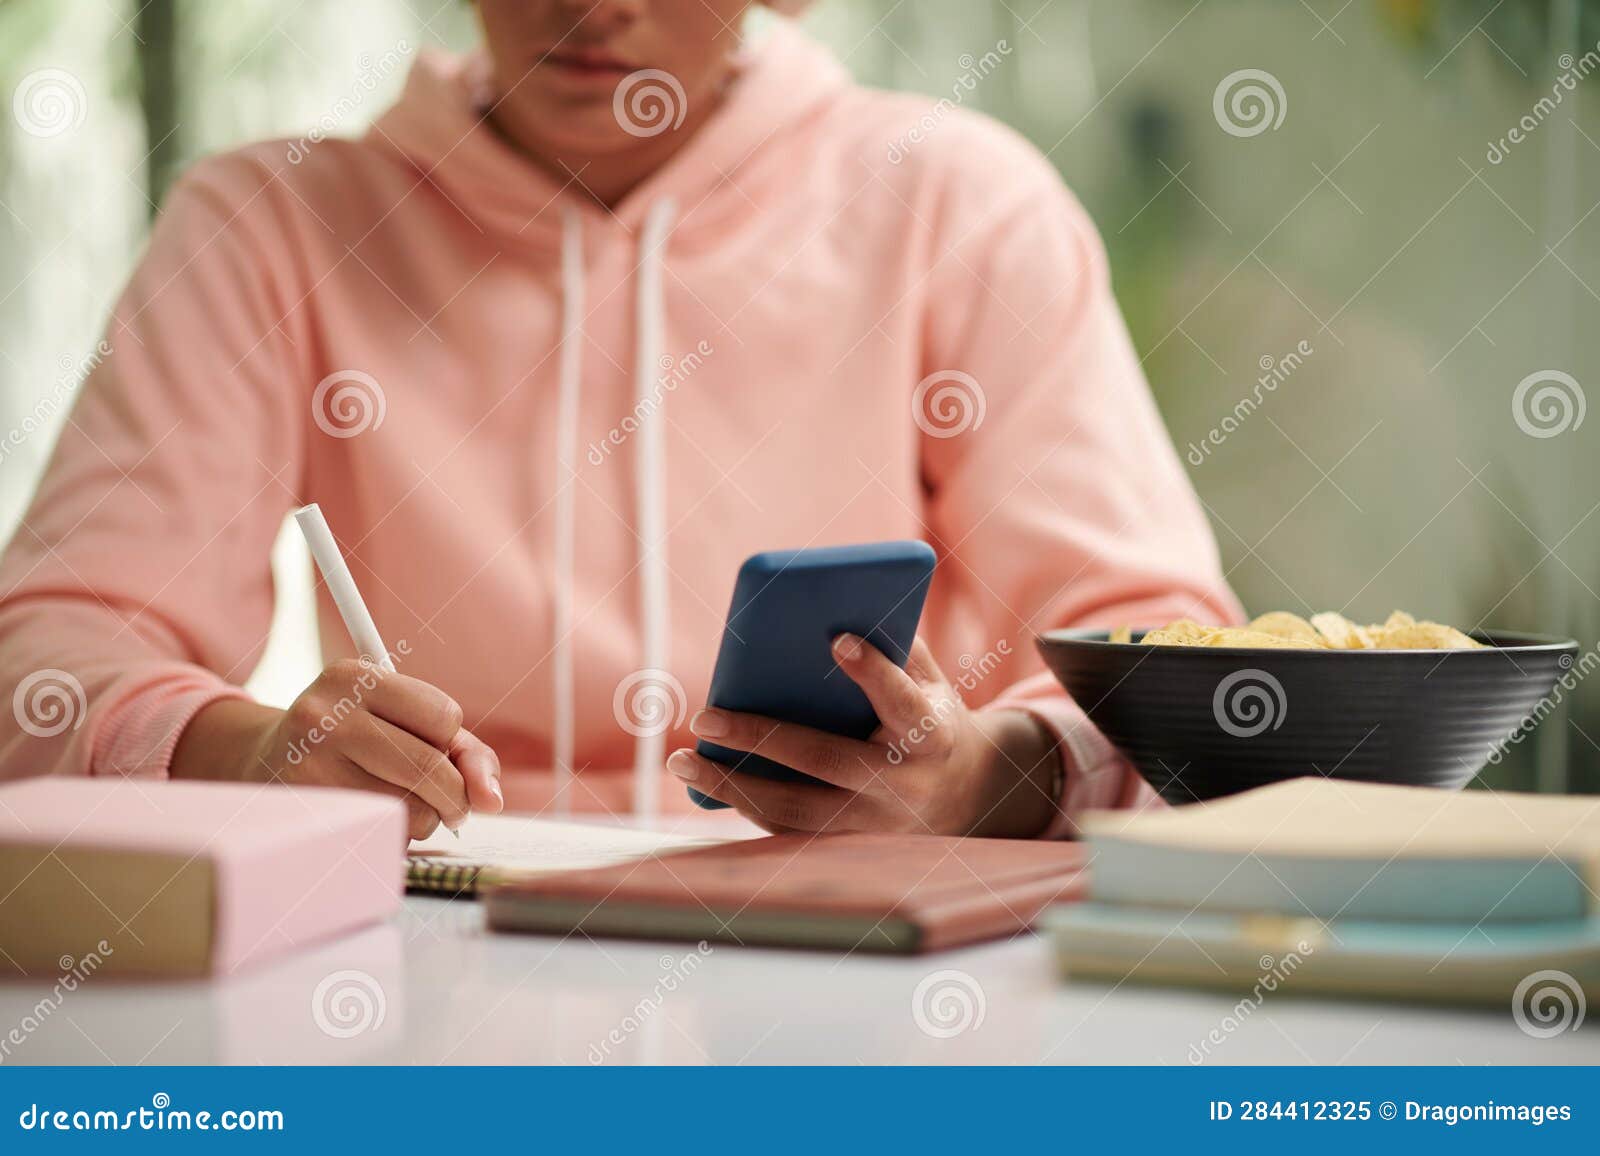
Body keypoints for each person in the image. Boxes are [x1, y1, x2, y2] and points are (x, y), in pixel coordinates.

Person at [0, 0, 1239, 841]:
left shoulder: (965, 208)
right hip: (420, 957)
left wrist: (983, 780)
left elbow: (1178, 669)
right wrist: (247, 755)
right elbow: (41, 664)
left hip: (859, 971)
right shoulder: (266, 225)